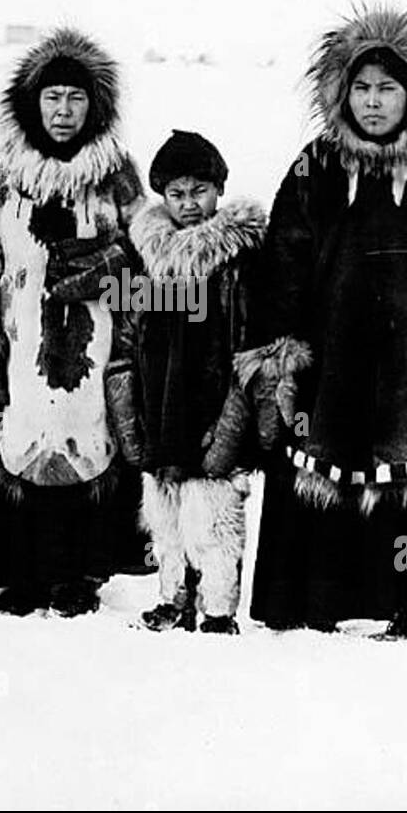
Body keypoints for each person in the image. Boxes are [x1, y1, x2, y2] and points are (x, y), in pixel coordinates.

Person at [242, 5, 407, 645]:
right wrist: (279, 361)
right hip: (327, 368)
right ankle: (313, 602)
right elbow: (282, 266)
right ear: (341, 92)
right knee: (317, 471)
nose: (373, 101)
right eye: (361, 88)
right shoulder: (315, 171)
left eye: (388, 88)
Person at [0, 27, 147, 618]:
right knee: (19, 438)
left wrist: (101, 270)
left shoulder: (115, 172)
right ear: (30, 103)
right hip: (19, 334)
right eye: (52, 98)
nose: (63, 112)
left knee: (87, 437)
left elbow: (143, 253)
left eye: (75, 99)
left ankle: (80, 573)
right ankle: (22, 574)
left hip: (91, 338)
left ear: (95, 106)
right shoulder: (1, 171)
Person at [106, 131, 266, 635]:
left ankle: (218, 608)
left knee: (214, 516)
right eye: (176, 193)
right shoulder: (144, 257)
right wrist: (128, 415)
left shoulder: (240, 261)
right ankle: (173, 596)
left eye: (200, 191)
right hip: (159, 407)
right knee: (166, 513)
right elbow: (125, 341)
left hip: (213, 407)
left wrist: (236, 421)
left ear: (219, 189)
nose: (189, 204)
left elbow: (250, 346)